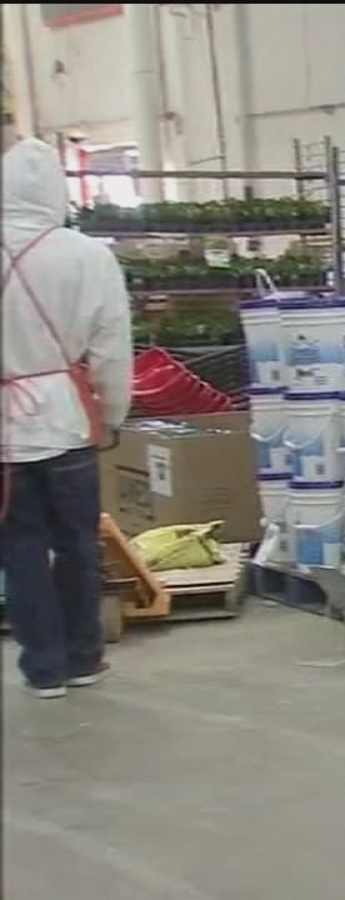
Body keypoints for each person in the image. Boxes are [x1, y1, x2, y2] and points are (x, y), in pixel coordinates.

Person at [1, 137, 132, 700]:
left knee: (19, 545)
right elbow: (110, 347)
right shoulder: (87, 256)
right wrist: (113, 411)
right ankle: (84, 656)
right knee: (78, 541)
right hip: (68, 421)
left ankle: (43, 667)